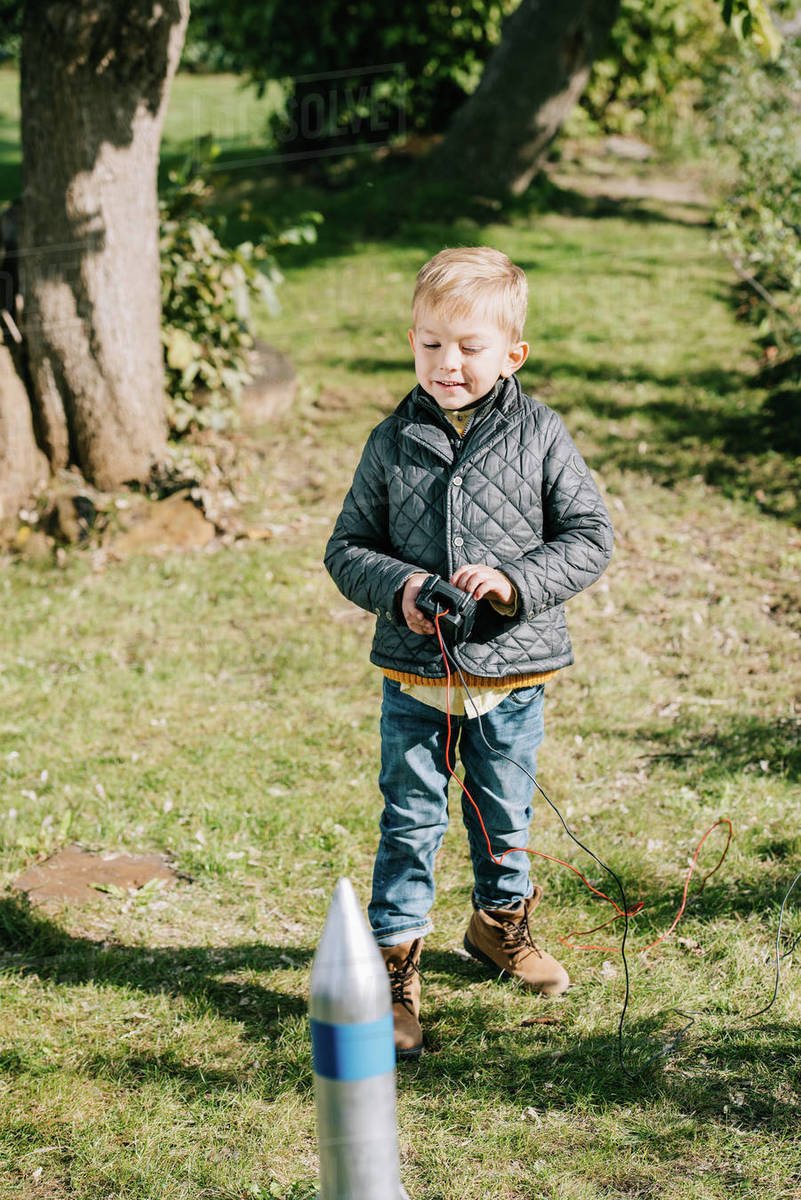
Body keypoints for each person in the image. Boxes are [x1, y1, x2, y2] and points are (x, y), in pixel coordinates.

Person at [324, 246, 613, 1057]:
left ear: (511, 354)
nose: (446, 364)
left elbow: (590, 537)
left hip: (511, 674)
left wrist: (515, 582)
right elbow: (347, 547)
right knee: (410, 822)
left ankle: (497, 927)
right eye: (429, 345)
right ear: (411, 341)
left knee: (503, 817)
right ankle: (393, 967)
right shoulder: (391, 440)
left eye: (468, 347)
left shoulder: (541, 434)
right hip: (416, 679)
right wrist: (402, 590)